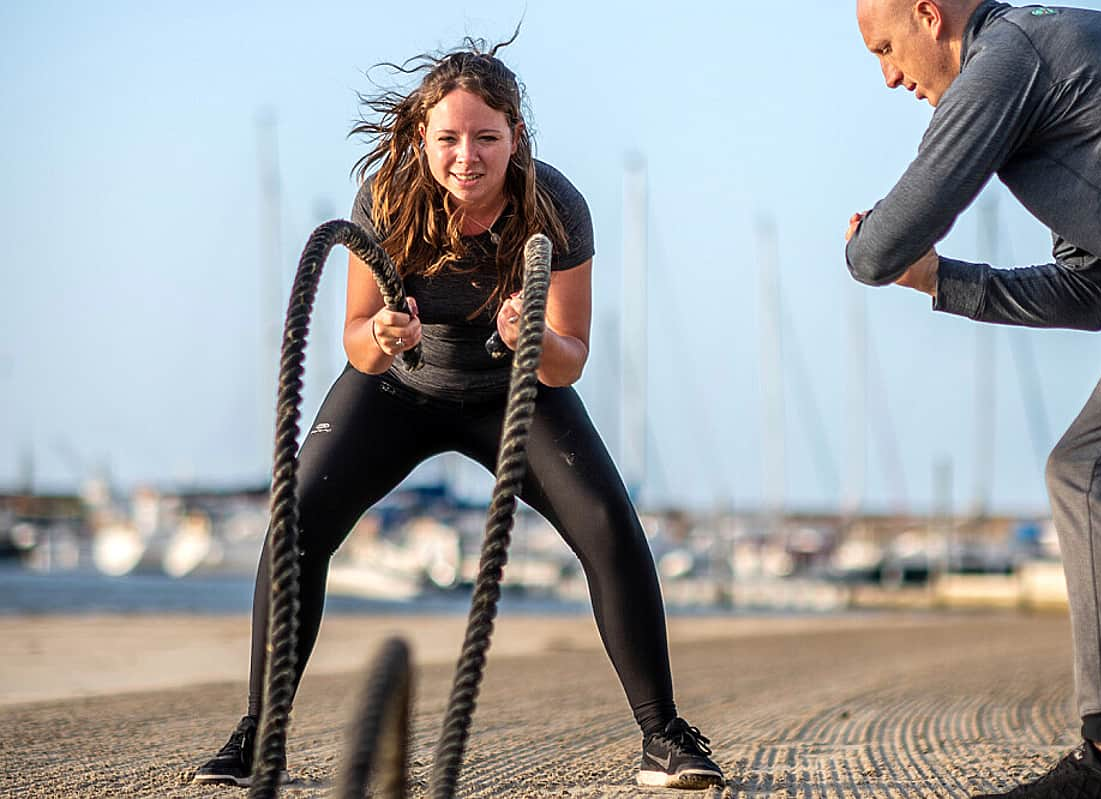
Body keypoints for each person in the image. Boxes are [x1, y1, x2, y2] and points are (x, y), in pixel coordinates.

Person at [192, 37, 724, 791]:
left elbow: (572, 357)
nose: (466, 156)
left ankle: (663, 736)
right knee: (296, 525)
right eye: (448, 138)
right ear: (421, 138)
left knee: (610, 525)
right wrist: (381, 335)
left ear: (515, 138)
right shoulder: (384, 199)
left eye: (486, 138)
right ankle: (257, 733)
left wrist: (530, 338)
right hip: (398, 390)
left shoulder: (557, 208)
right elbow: (357, 339)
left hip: (515, 390)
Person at [845, 1, 1101, 796]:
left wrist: (870, 246)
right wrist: (942, 280)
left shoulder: (1007, 58)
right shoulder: (1053, 76)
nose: (889, 76)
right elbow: (1086, 292)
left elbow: (878, 248)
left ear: (930, 16)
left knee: (1092, 476)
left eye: (886, 50)